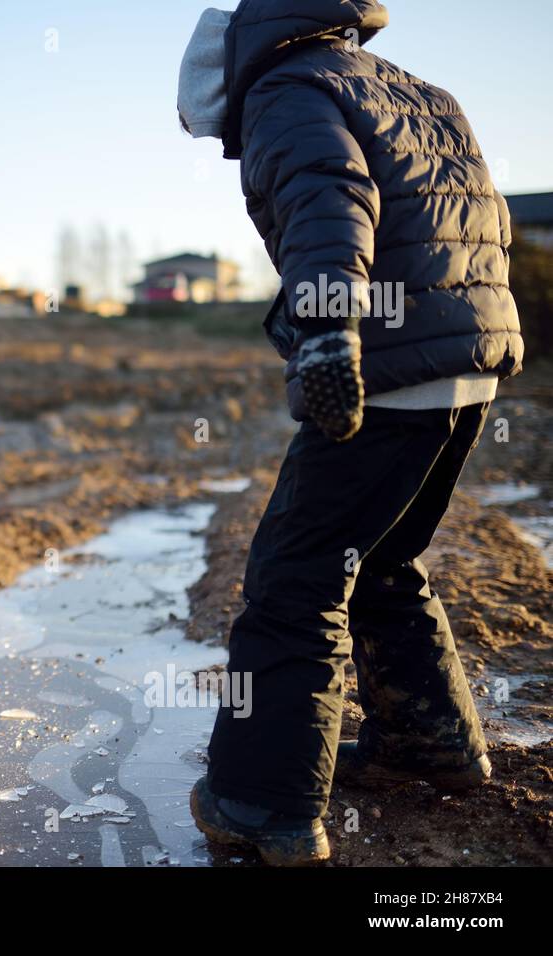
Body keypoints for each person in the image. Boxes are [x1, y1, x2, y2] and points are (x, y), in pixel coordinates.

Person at [176, 0, 523, 865]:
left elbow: (328, 202)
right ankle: (431, 744)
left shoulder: (289, 87)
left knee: (295, 582)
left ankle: (263, 804)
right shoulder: (417, 90)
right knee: (379, 559)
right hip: (466, 365)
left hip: (385, 367)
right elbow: (482, 219)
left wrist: (330, 330)